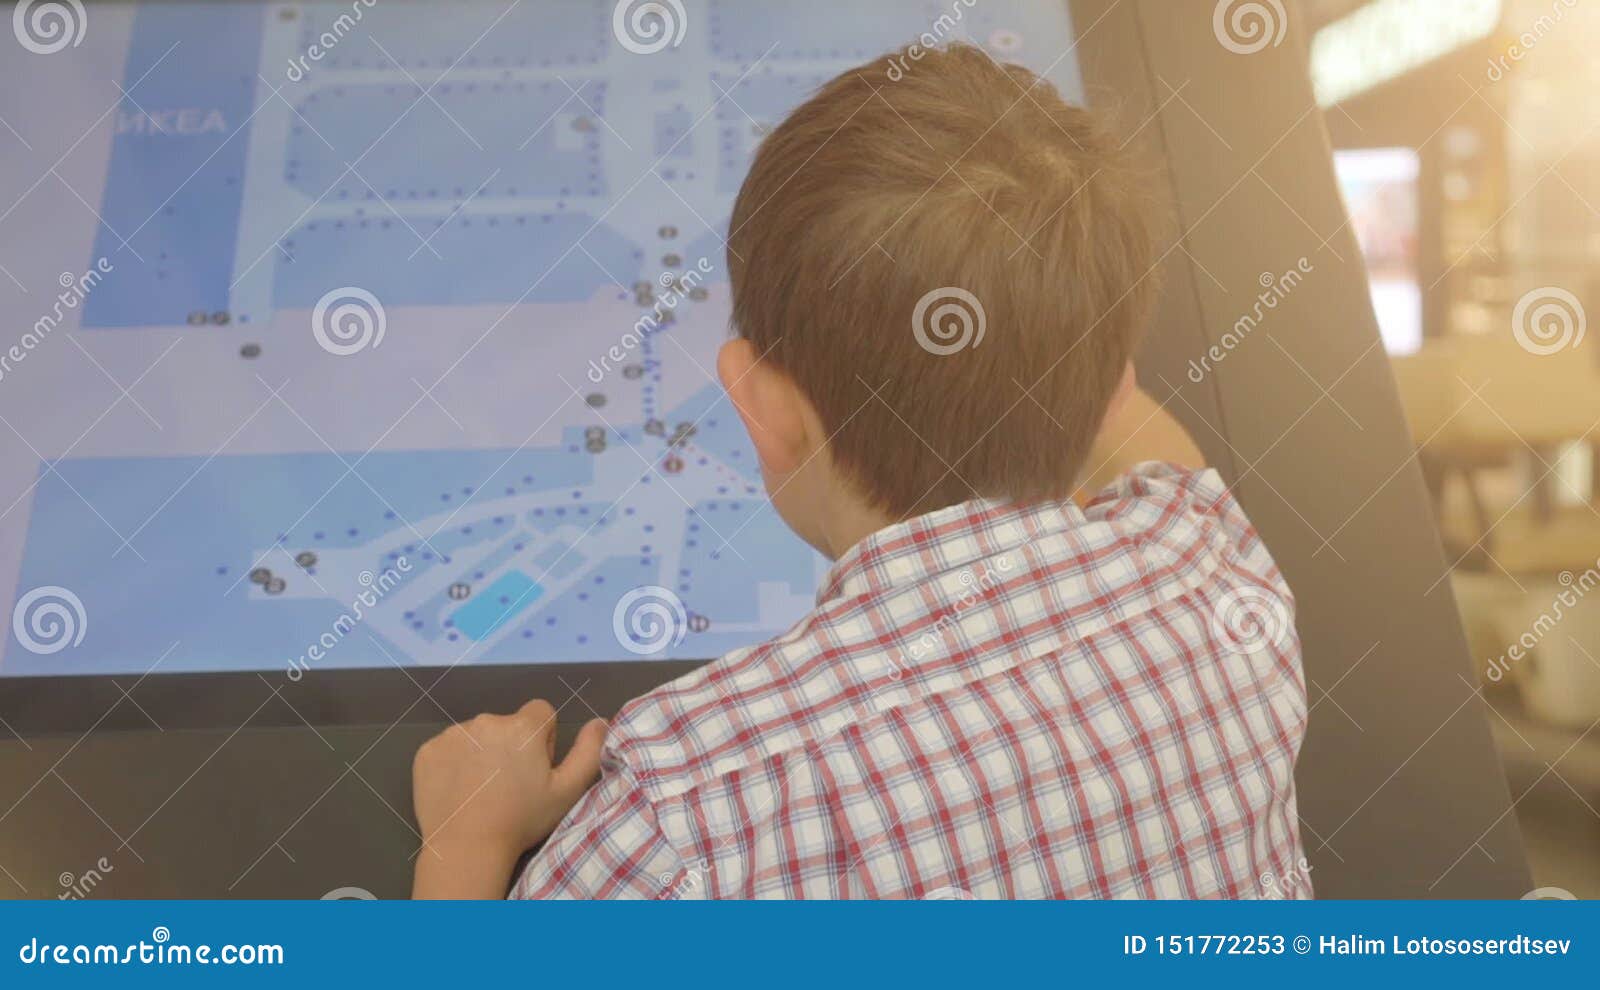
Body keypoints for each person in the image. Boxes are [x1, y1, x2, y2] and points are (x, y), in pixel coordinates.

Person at [411, 44, 1308, 900]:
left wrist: (467, 836)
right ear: (1116, 376)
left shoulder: (683, 813)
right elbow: (1133, 419)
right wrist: (1064, 324)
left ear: (763, 411)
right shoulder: (1217, 583)